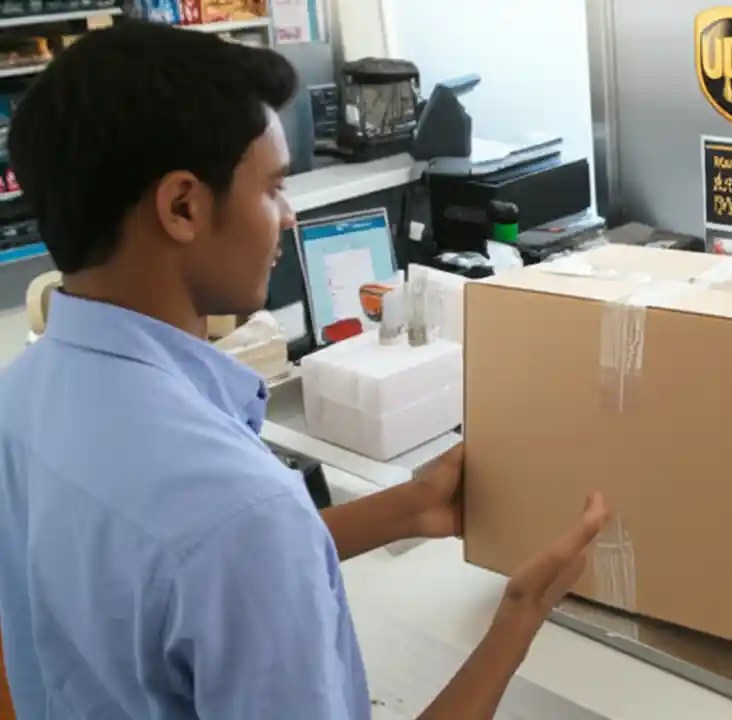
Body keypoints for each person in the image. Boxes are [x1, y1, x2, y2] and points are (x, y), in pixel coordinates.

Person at [0, 21, 607, 720]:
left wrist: (409, 508)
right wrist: (520, 615)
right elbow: (230, 542)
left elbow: (159, 579)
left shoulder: (20, 401)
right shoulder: (240, 511)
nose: (287, 218)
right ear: (183, 206)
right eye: (274, 188)